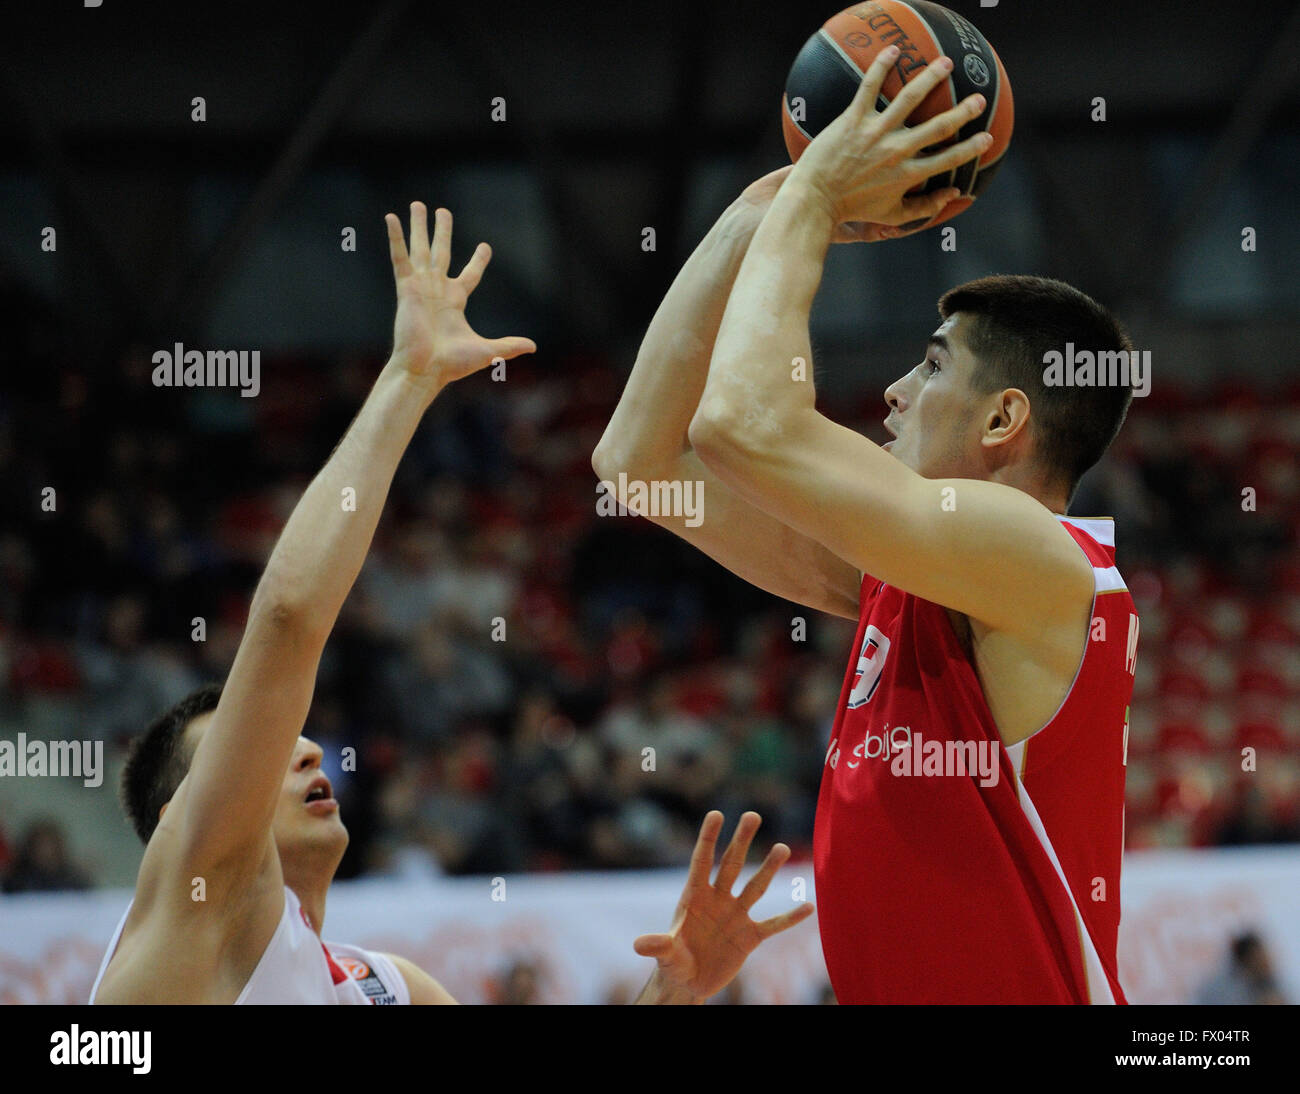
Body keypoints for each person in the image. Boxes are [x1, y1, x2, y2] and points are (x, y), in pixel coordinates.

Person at [90, 203, 811, 1005]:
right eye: (248, 749)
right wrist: (410, 378)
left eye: (297, 736)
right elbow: (290, 620)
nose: (301, 751)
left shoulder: (389, 987)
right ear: (174, 825)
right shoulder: (188, 916)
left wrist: (677, 989)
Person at [595, 48, 1137, 1003]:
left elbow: (740, 425)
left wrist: (816, 198)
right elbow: (641, 467)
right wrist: (750, 217)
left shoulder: (1041, 560)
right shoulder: (912, 582)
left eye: (930, 369)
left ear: (1004, 421)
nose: (892, 393)